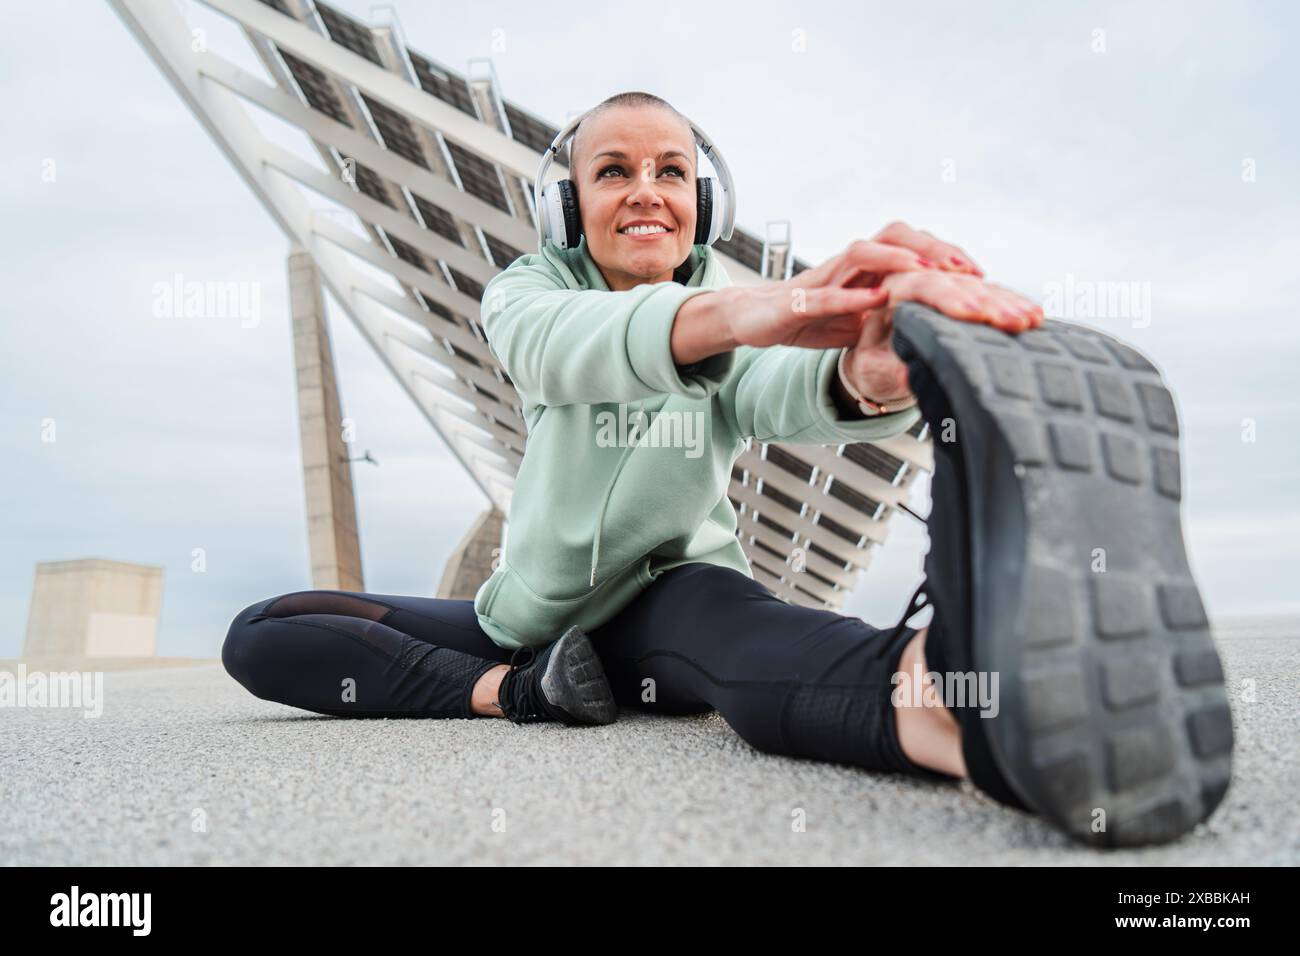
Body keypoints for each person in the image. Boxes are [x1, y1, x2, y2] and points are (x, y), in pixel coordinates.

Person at [223, 91, 1232, 847]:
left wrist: (864, 370)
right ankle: (512, 692)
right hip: (520, 622)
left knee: (743, 636)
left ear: (699, 200)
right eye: (611, 170)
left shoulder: (733, 317)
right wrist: (771, 306)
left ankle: (949, 701)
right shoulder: (529, 292)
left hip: (662, 593)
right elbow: (567, 347)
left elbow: (782, 390)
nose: (645, 191)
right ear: (568, 206)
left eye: (669, 169)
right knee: (265, 632)